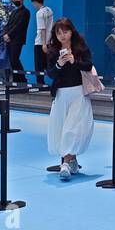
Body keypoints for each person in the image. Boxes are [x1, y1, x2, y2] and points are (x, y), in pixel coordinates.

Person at [45, 17, 95, 181]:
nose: (62, 35)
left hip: (79, 93)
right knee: (62, 128)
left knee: (72, 128)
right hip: (61, 94)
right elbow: (50, 74)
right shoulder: (52, 51)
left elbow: (89, 65)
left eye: (65, 31)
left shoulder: (80, 47)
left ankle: (65, 163)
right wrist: (59, 64)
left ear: (71, 31)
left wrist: (75, 61)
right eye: (58, 33)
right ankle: (72, 159)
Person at [3, 0, 30, 83]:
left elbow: (19, 26)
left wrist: (9, 35)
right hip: (9, 39)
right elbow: (8, 24)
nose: (15, 1)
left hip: (17, 39)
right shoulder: (13, 12)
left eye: (17, 0)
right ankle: (17, 79)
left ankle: (22, 79)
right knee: (12, 60)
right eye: (14, 0)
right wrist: (5, 34)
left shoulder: (25, 12)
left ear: (22, 0)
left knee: (15, 59)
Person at [30, 0, 54, 88]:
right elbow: (52, 26)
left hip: (40, 42)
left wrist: (43, 44)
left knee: (39, 65)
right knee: (48, 63)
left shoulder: (39, 13)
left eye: (33, 3)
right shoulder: (49, 10)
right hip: (49, 41)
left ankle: (40, 83)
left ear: (35, 2)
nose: (33, 5)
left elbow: (42, 29)